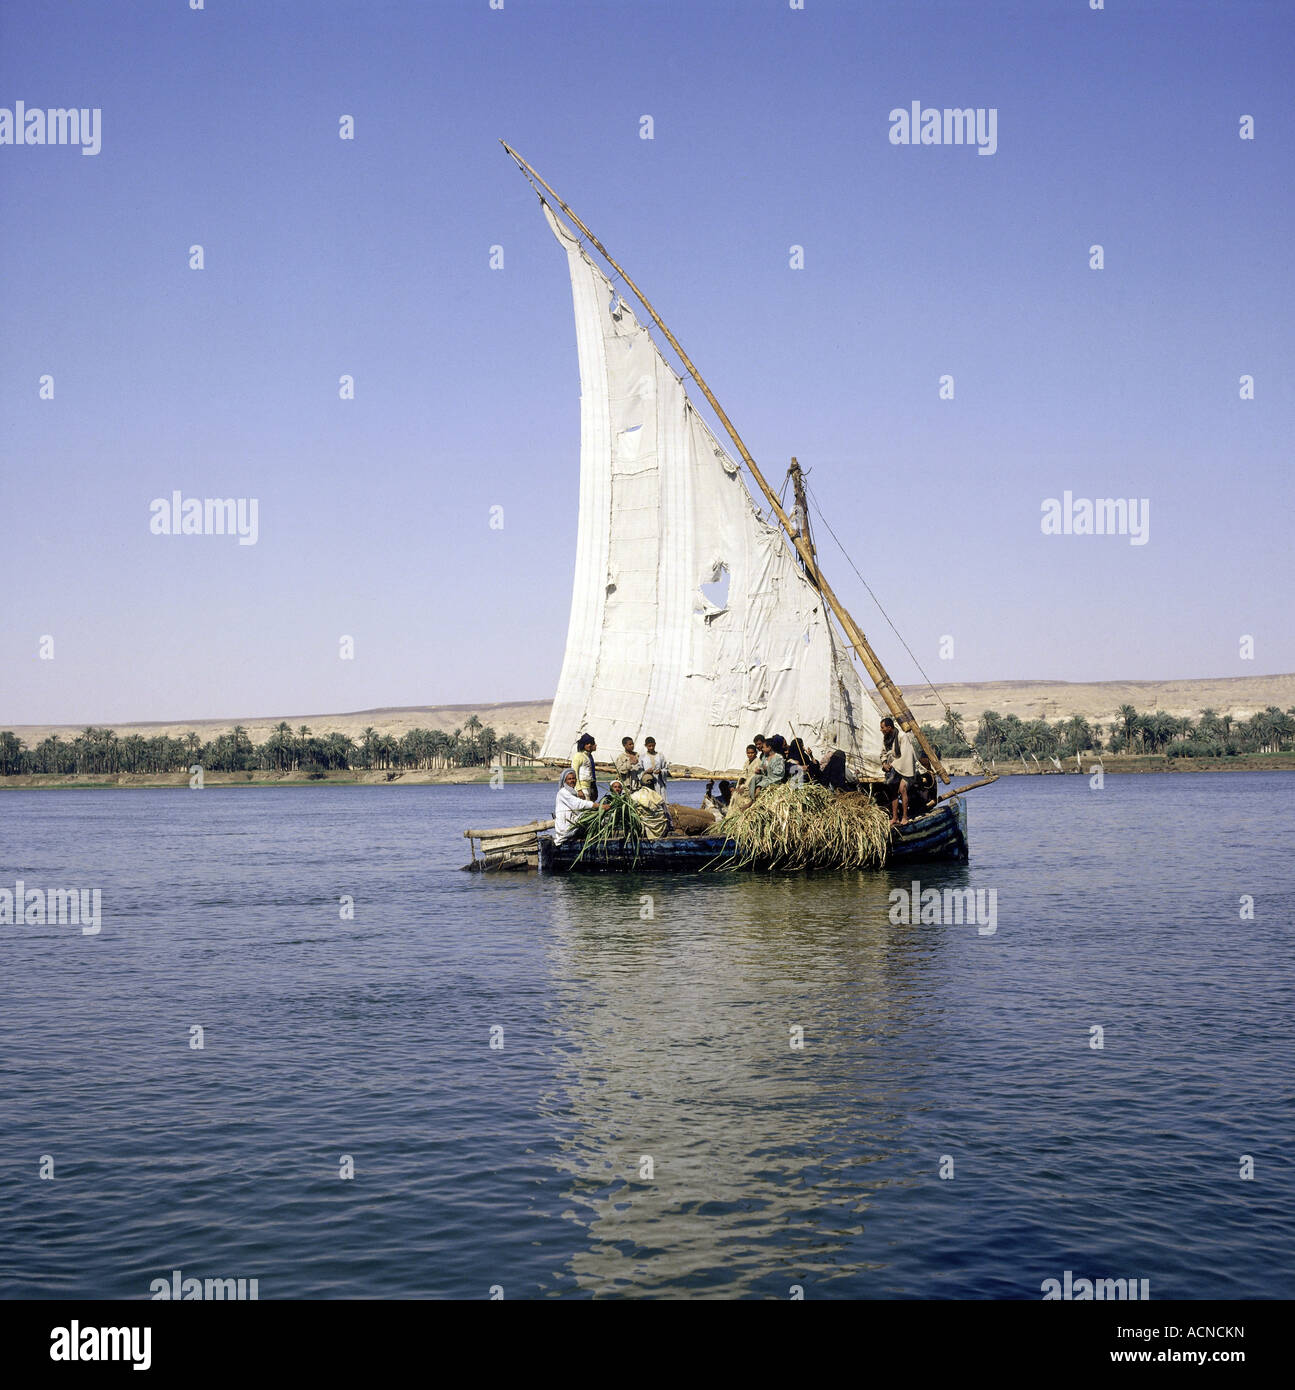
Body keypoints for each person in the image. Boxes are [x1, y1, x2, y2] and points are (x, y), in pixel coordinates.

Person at [886, 722, 920, 825]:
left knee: (902, 788)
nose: (881, 730)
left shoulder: (902, 736)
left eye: (882, 728)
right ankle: (895, 818)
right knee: (893, 790)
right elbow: (883, 752)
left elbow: (906, 755)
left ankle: (905, 817)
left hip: (906, 767)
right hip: (895, 767)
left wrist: (893, 764)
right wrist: (884, 763)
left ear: (889, 727)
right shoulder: (886, 738)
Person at [553, 769, 592, 845]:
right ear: (565, 781)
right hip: (565, 830)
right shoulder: (563, 792)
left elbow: (578, 809)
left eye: (573, 778)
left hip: (571, 827)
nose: (572, 781)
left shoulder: (573, 793)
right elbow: (578, 804)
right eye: (569, 779)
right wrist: (596, 805)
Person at [630, 771, 671, 839]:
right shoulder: (657, 796)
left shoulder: (634, 795)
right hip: (660, 828)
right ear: (653, 784)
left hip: (643, 827)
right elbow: (666, 813)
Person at [571, 733, 598, 802]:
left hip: (589, 787)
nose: (589, 745)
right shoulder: (578, 756)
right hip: (582, 789)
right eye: (587, 743)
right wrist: (579, 789)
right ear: (583, 745)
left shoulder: (589, 756)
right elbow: (574, 773)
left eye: (591, 743)